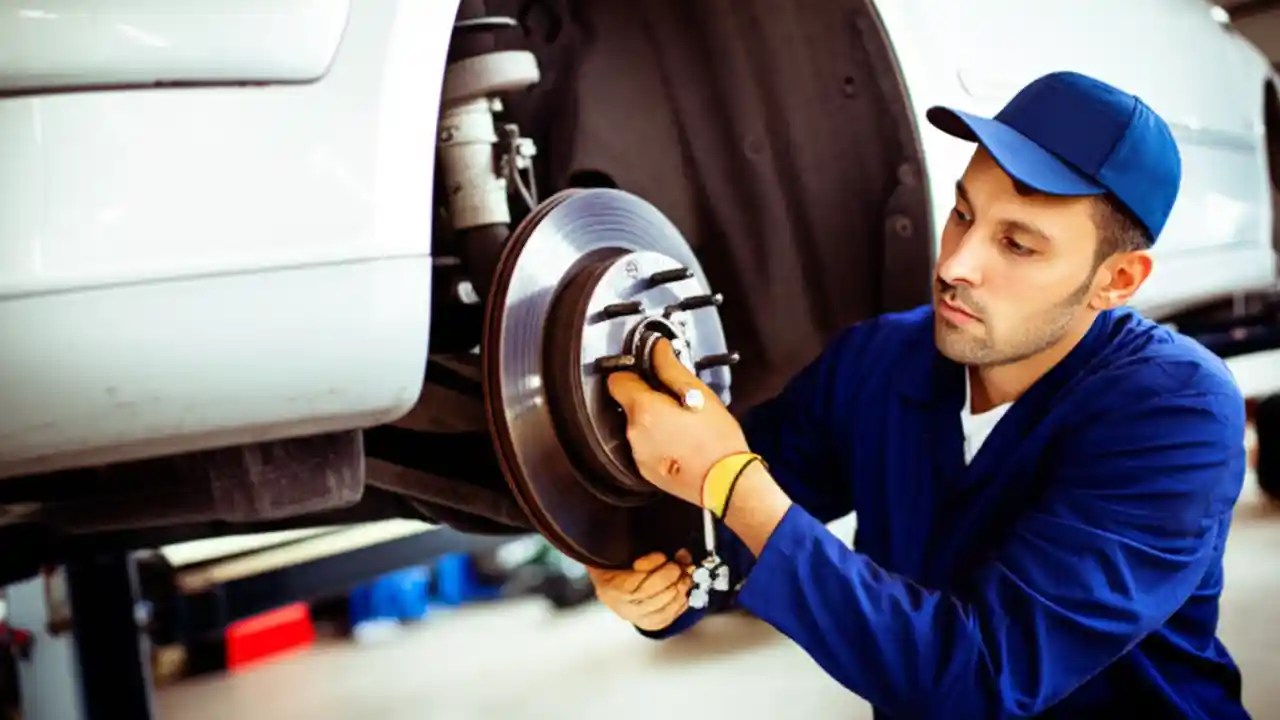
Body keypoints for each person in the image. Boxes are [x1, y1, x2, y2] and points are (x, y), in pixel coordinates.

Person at [586, 71, 1252, 718]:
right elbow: (715, 538)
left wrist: (730, 480)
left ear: (1117, 280)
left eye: (1017, 245)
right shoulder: (878, 360)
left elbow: (983, 676)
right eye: (963, 213)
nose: (955, 264)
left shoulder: (1177, 413)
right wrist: (666, 586)